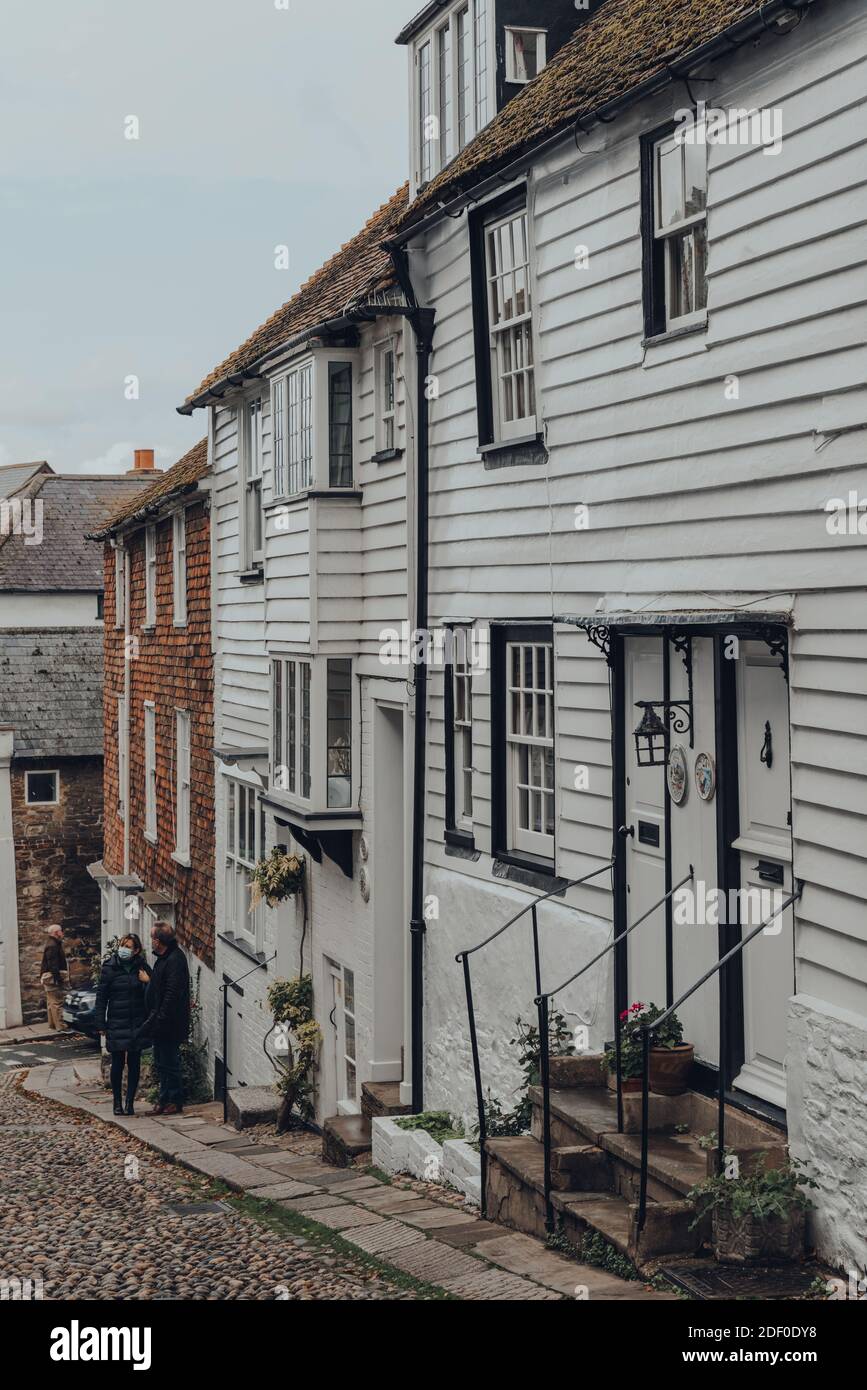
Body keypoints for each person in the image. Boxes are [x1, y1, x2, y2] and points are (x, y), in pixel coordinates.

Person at [94, 934, 151, 1116]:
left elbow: (154, 992)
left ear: (136, 951)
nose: (124, 949)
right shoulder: (109, 968)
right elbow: (101, 998)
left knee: (134, 1062)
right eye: (123, 945)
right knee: (117, 1063)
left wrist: (147, 982)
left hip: (136, 1022)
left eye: (128, 946)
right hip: (117, 1021)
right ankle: (117, 1102)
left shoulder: (142, 967)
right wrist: (100, 1023)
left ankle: (130, 1102)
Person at [139, 921, 190, 1116]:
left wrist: (160, 1018)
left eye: (152, 938)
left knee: (169, 1063)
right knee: (161, 1062)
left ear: (158, 941)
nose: (150, 941)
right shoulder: (164, 958)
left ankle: (174, 1100)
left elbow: (171, 994)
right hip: (159, 1021)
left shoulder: (175, 960)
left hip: (169, 1023)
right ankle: (163, 1098)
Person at [39, 924, 69, 1031]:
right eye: (61, 931)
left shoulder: (53, 943)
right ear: (56, 932)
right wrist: (58, 979)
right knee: (57, 1002)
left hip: (50, 977)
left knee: (51, 1002)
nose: (62, 933)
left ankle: (52, 1025)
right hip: (52, 978)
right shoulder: (53, 945)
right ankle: (60, 1026)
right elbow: (53, 965)